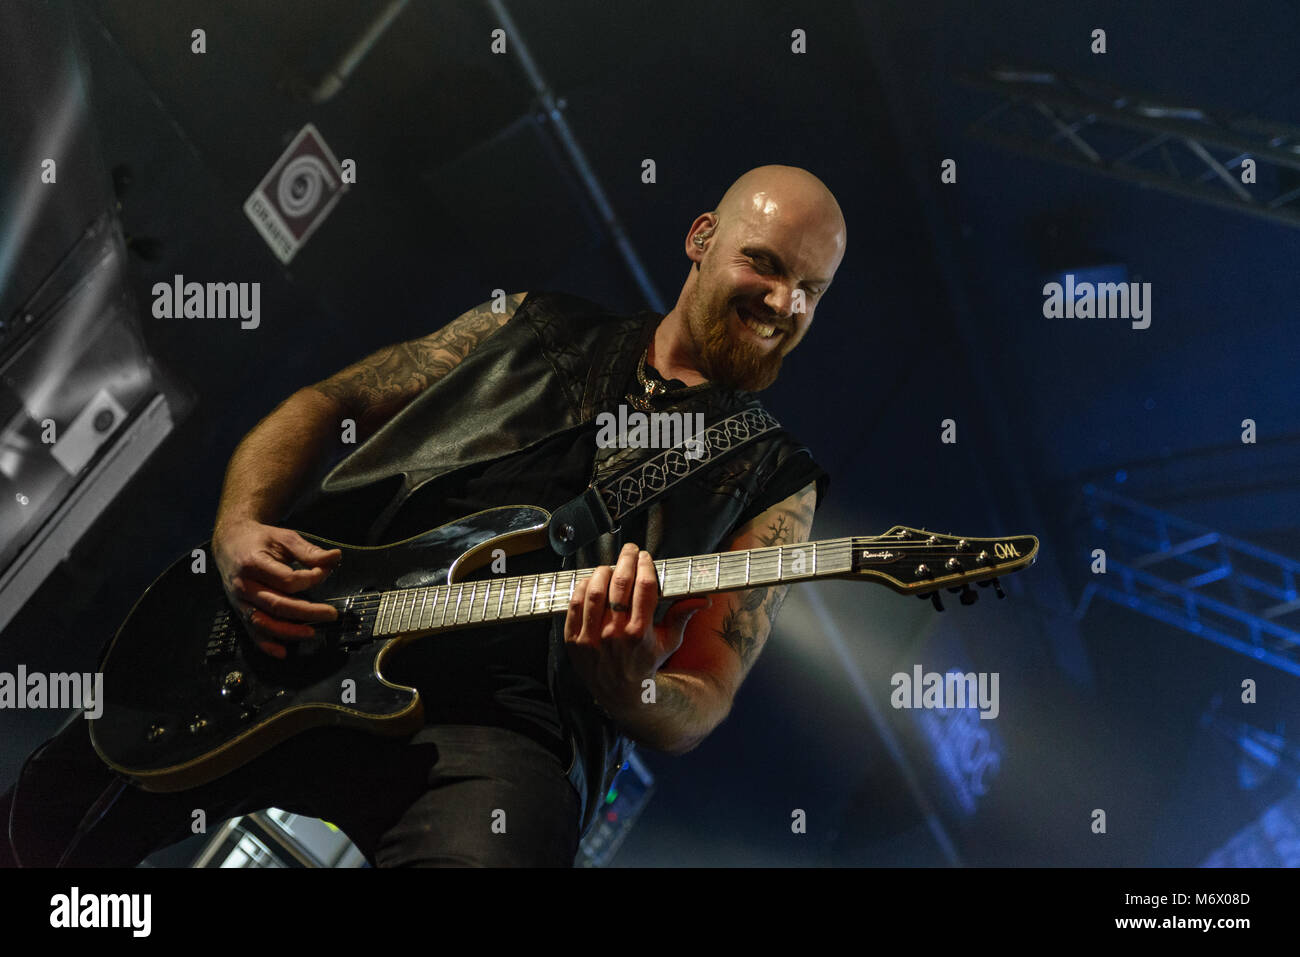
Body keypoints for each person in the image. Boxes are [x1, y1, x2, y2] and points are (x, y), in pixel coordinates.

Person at [2, 164, 846, 867]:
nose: (785, 304)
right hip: (302, 629)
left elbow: (705, 694)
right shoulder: (531, 324)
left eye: (811, 289)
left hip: (499, 734)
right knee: (53, 815)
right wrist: (238, 528)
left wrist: (635, 686)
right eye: (765, 264)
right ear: (703, 239)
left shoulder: (774, 478)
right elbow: (328, 401)